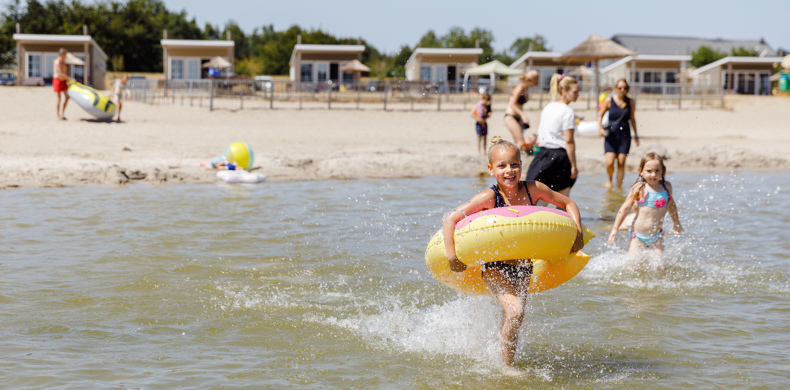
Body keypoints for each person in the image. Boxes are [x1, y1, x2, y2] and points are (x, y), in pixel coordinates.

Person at [442, 136, 584, 371]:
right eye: (502, 166)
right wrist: (452, 257)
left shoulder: (533, 189)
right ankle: (508, 368)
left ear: (521, 165)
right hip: (495, 267)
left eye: (514, 164)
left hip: (524, 267)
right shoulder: (490, 198)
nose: (509, 170)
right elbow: (451, 219)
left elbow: (568, 203)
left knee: (514, 318)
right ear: (491, 169)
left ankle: (502, 358)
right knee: (515, 311)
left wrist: (577, 232)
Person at [608, 152, 683, 267]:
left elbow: (671, 206)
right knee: (633, 265)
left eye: (657, 170)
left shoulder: (666, 187)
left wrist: (676, 223)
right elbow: (625, 208)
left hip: (657, 236)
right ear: (641, 171)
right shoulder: (639, 188)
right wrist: (614, 229)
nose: (653, 174)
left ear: (663, 170)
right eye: (649, 171)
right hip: (638, 237)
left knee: (660, 266)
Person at [526, 74, 580, 199]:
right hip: (560, 158)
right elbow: (569, 140)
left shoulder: (548, 107)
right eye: (575, 92)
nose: (578, 95)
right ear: (564, 91)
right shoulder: (568, 111)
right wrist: (573, 166)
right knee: (562, 199)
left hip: (542, 155)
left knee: (537, 198)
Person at [597, 78, 640, 190]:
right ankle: (609, 180)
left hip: (625, 135)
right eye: (620, 88)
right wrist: (600, 128)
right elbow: (600, 115)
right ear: (616, 88)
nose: (622, 90)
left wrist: (636, 134)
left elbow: (632, 119)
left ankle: (619, 186)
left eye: (624, 88)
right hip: (611, 135)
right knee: (609, 162)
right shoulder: (609, 100)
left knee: (621, 161)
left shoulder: (630, 102)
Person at [504, 70, 539, 152]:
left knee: (518, 142)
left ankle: (514, 157)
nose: (535, 84)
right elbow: (512, 104)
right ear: (531, 80)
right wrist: (523, 115)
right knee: (521, 142)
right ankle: (510, 159)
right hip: (510, 116)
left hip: (517, 117)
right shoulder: (520, 88)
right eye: (535, 82)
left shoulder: (525, 88)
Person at [53, 48, 75, 120]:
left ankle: (62, 113)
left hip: (64, 81)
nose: (66, 55)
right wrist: (71, 79)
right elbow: (61, 74)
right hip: (58, 80)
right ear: (62, 54)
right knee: (59, 98)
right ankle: (58, 115)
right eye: (65, 54)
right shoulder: (57, 62)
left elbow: (64, 72)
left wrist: (67, 79)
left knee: (67, 97)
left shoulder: (64, 62)